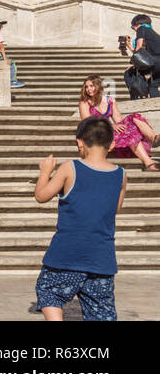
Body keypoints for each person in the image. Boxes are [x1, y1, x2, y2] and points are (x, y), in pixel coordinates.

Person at [35, 116, 126, 322]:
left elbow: (41, 196)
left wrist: (45, 172)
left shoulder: (70, 168)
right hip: (102, 259)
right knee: (100, 311)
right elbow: (115, 209)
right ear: (112, 144)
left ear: (79, 142)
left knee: (49, 291)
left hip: (66, 255)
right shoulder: (121, 174)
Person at [78, 75, 158, 170]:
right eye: (86, 87)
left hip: (111, 131)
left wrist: (125, 126)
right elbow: (87, 123)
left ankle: (154, 139)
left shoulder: (109, 100)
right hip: (97, 133)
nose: (88, 89)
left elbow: (119, 121)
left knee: (133, 118)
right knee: (129, 132)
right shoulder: (84, 102)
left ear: (98, 86)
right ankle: (148, 162)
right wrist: (111, 125)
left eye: (91, 86)